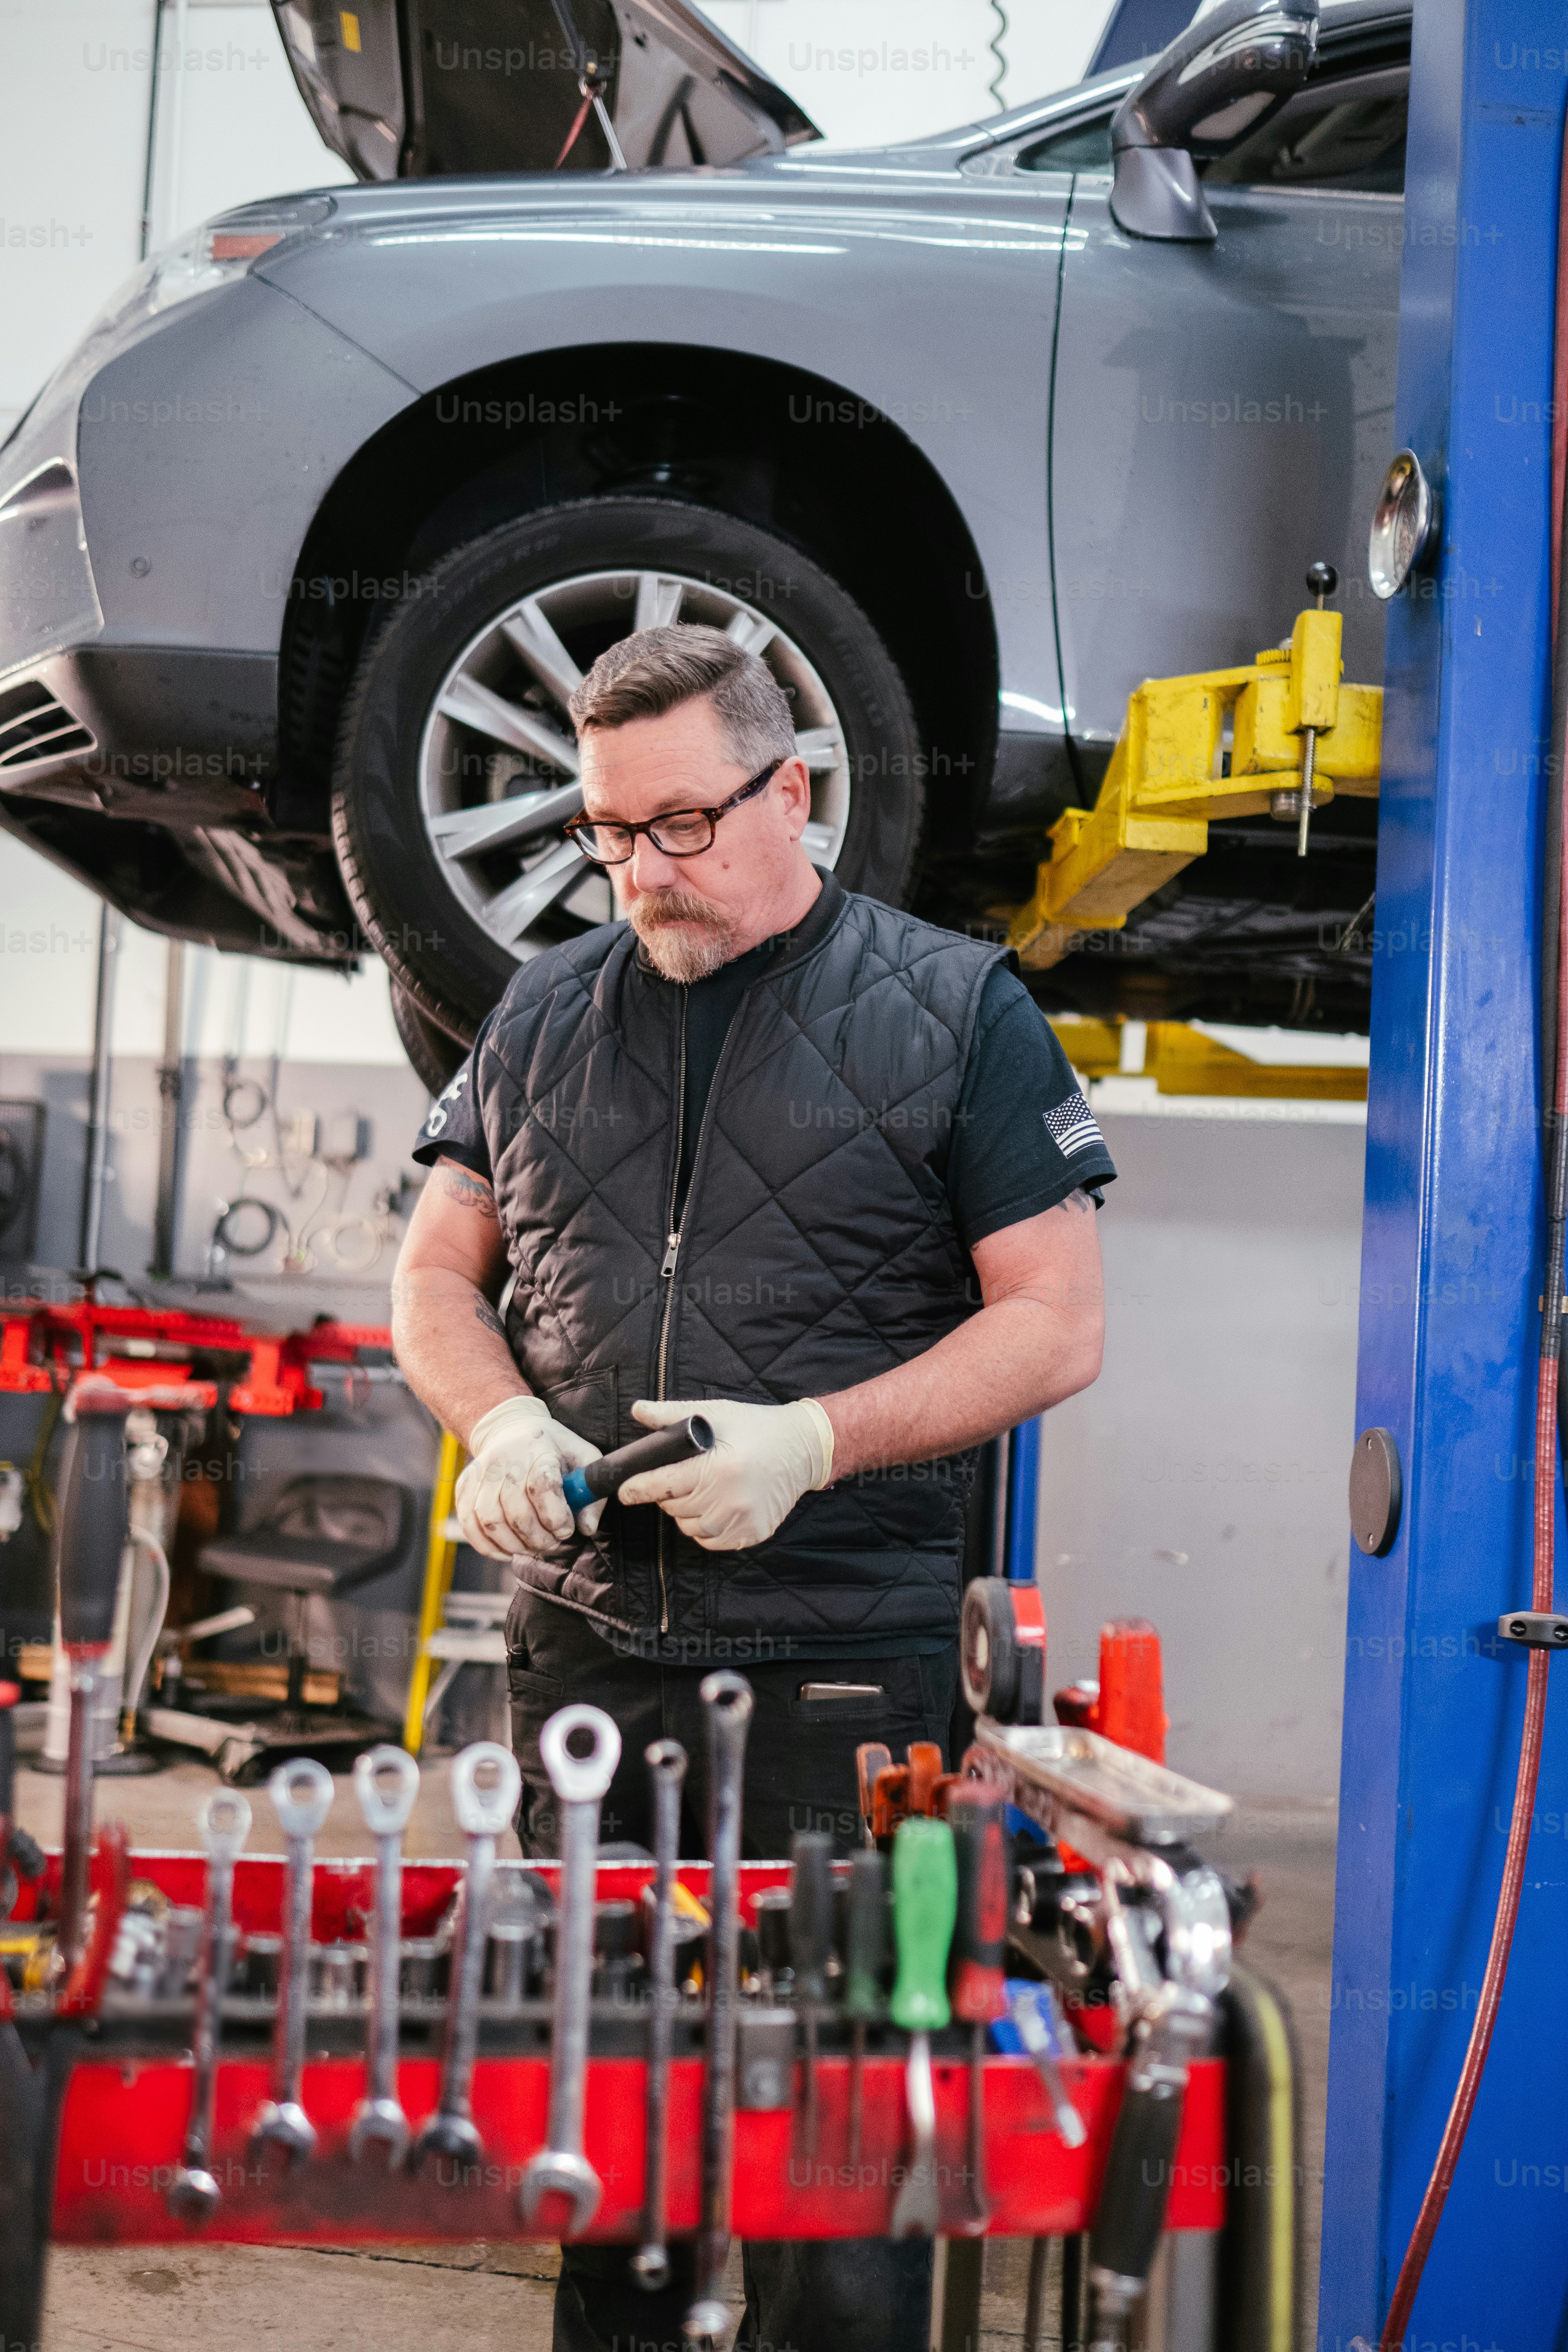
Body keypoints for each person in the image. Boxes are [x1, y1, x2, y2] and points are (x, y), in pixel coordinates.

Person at [393, 623, 1113, 2352]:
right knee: (610, 2168)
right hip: (582, 1674)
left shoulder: (957, 1009)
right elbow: (431, 1279)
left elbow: (1058, 1325)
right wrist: (495, 1424)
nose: (640, 872)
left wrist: (813, 1440)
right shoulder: (543, 1007)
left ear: (794, 789)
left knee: (836, 2187)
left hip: (845, 1694)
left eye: (682, 825)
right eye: (606, 832)